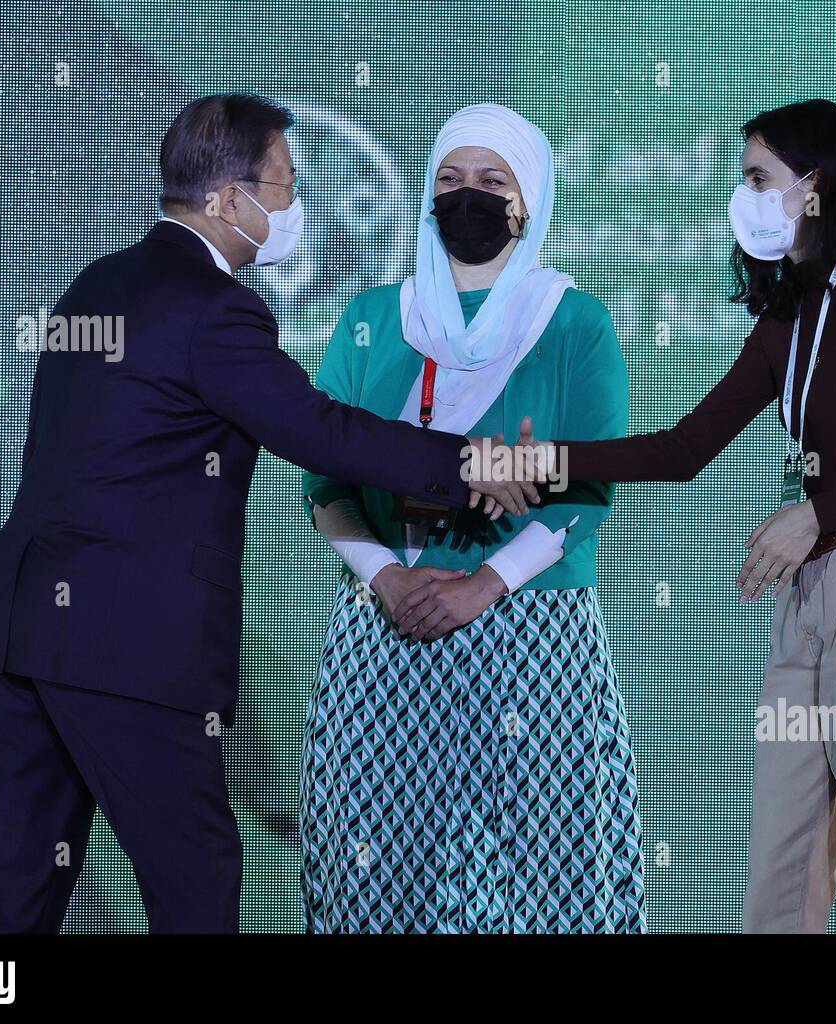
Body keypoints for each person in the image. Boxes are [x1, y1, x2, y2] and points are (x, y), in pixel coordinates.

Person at [0, 93, 534, 934]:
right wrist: (475, 464)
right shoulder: (211, 306)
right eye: (286, 187)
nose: (295, 209)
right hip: (129, 645)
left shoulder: (98, 280)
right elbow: (324, 433)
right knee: (195, 885)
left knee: (7, 904)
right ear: (230, 201)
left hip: (26, 633)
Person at [533, 99, 836, 932]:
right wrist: (542, 461)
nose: (742, 196)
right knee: (782, 872)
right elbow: (682, 449)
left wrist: (816, 513)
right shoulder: (788, 318)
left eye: (757, 178)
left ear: (814, 187)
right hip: (806, 597)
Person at [301, 103, 645, 933]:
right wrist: (387, 578)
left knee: (546, 875)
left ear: (529, 202)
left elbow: (585, 490)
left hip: (534, 628)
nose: (470, 198)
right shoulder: (370, 321)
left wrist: (484, 585)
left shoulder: (576, 324)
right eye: (450, 181)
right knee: (374, 870)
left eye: (493, 183)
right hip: (387, 627)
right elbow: (323, 484)